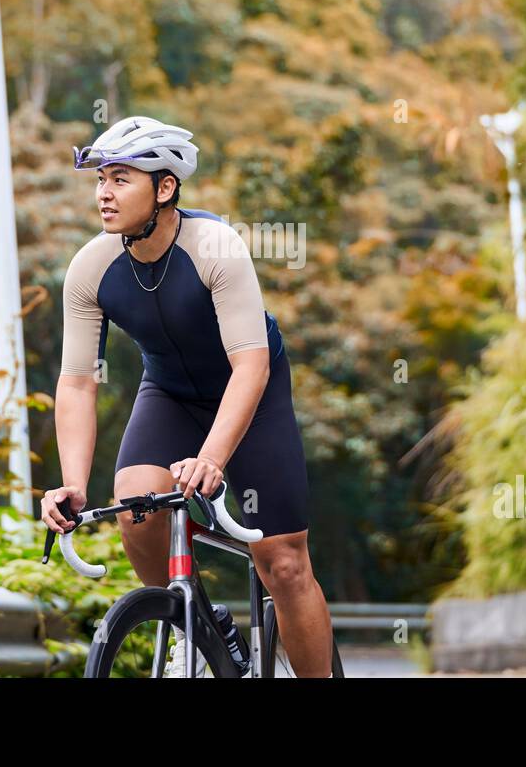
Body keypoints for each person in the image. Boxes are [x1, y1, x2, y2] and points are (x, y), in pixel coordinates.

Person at [40, 115, 334, 677]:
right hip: (170, 393)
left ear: (165, 187)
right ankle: (193, 628)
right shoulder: (91, 267)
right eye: (101, 179)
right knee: (135, 504)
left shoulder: (215, 246)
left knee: (284, 563)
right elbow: (78, 381)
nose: (104, 192)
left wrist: (214, 459)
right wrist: (73, 484)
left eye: (121, 179)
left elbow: (250, 366)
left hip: (251, 390)